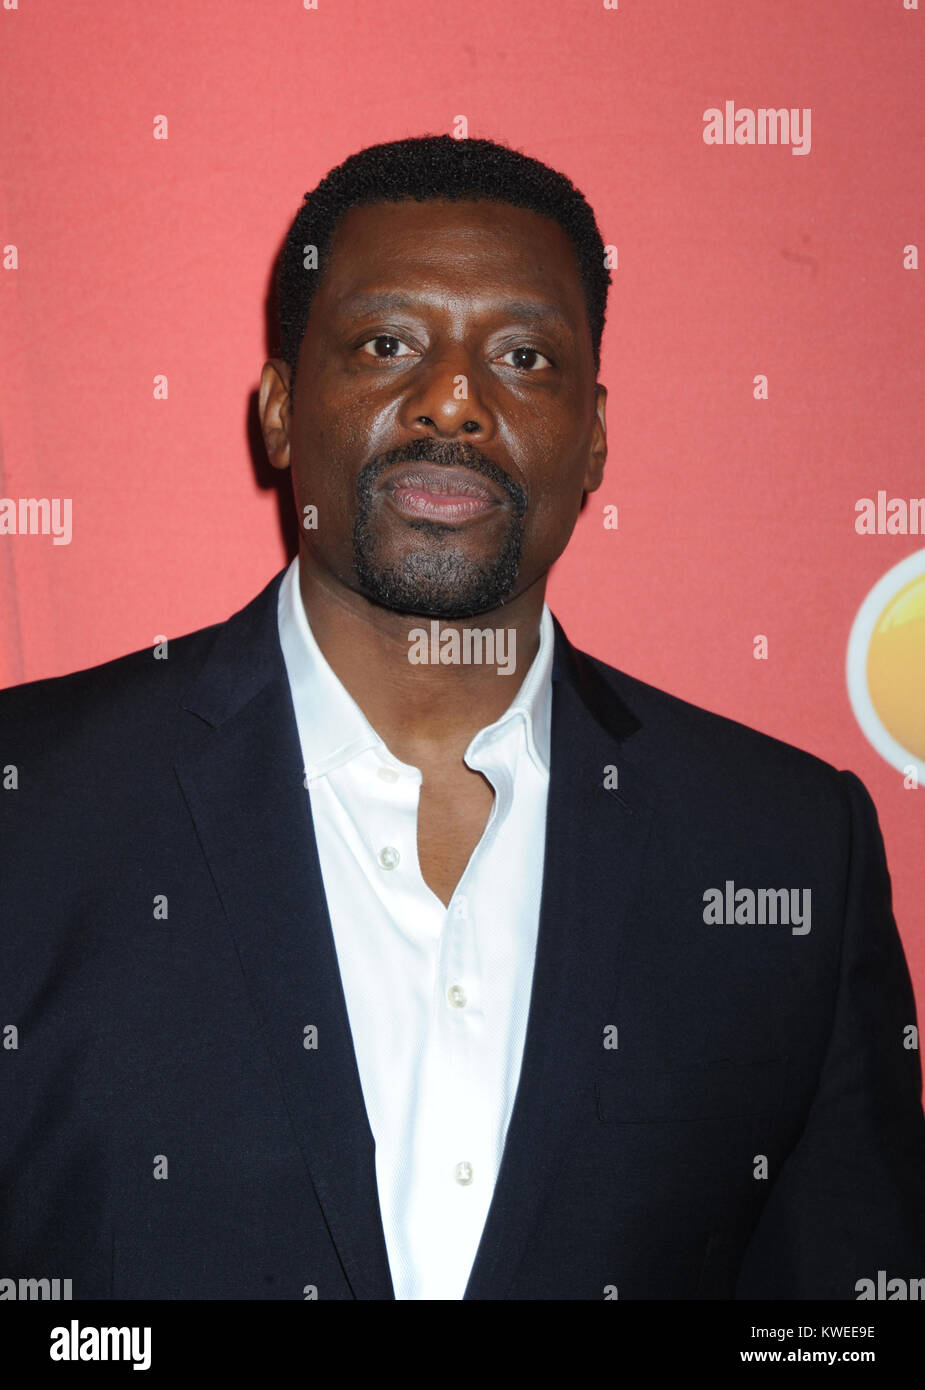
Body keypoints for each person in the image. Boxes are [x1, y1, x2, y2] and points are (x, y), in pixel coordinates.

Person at [1, 134, 923, 1302]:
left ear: (593, 435)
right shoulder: (31, 809)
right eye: (387, 344)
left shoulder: (786, 848)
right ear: (281, 411)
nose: (452, 400)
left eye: (523, 356)